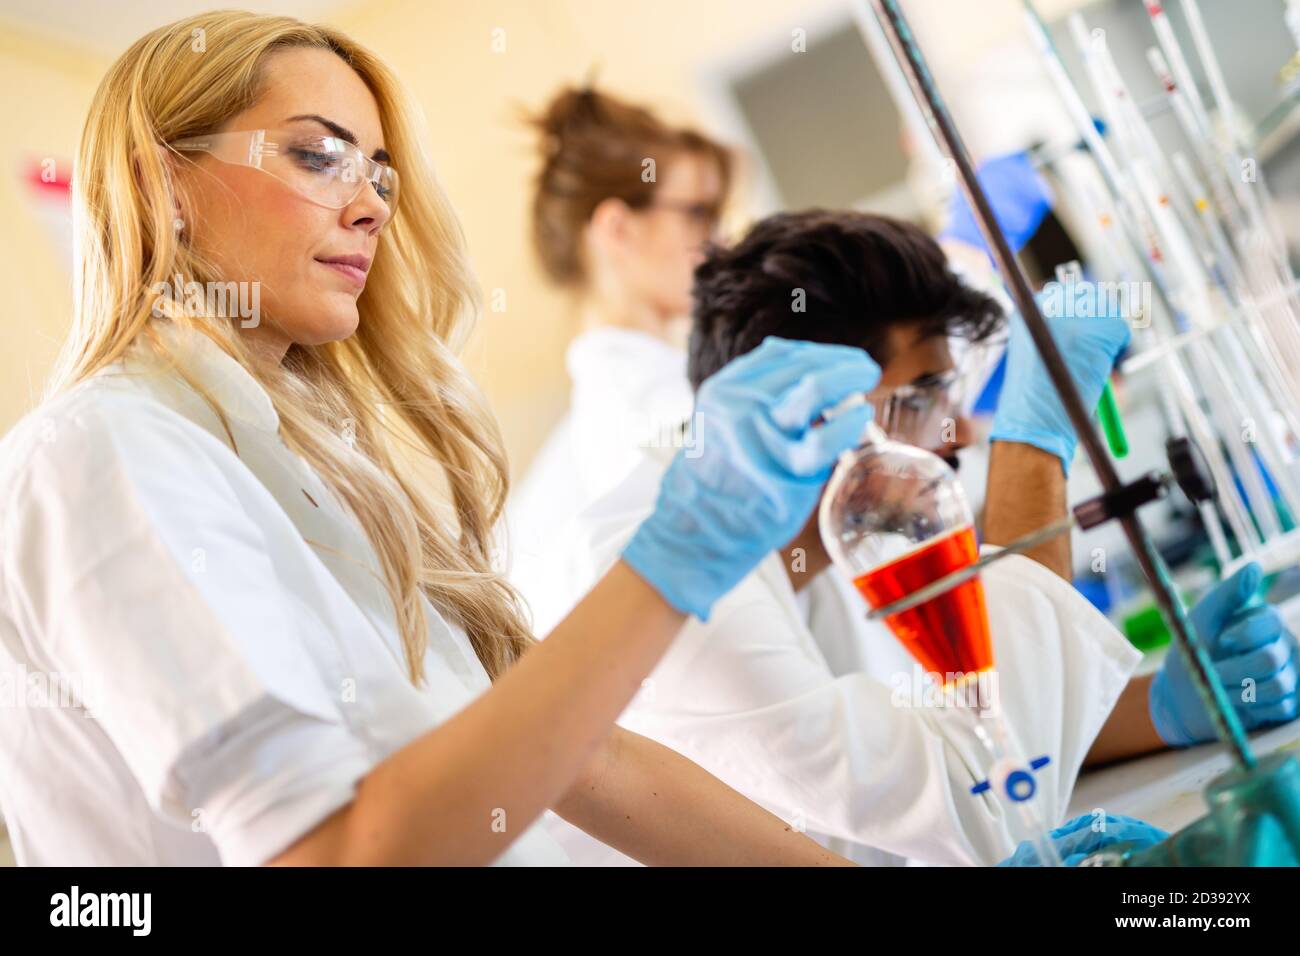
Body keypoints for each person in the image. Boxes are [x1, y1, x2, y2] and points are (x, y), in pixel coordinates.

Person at [0, 11, 882, 867]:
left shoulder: (315, 468)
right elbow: (327, 854)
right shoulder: (101, 453)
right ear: (166, 186)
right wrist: (672, 559)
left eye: (379, 176)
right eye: (317, 156)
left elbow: (583, 758)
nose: (372, 208)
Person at [569, 210, 1295, 864]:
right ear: (813, 402)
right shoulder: (681, 573)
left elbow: (959, 732)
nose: (957, 435)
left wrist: (1163, 711)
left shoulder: (830, 536)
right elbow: (981, 804)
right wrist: (1036, 440)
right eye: (922, 398)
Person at [508, 87, 730, 637]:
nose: (718, 240)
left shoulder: (644, 393)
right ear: (617, 229)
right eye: (698, 213)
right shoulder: (648, 412)